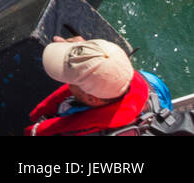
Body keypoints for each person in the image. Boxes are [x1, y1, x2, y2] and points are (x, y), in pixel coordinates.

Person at [26, 36, 171, 136]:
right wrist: (88, 55)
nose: (67, 83)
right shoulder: (152, 83)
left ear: (91, 98)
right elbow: (109, 64)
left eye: (71, 80)